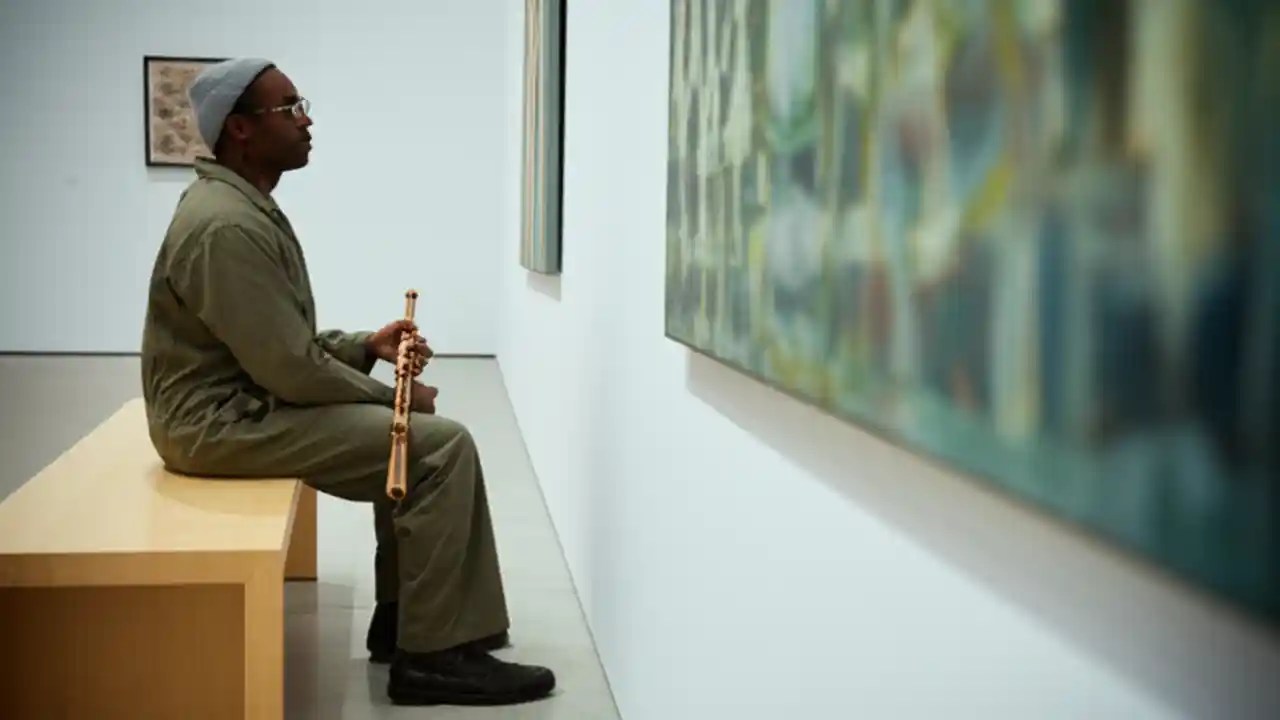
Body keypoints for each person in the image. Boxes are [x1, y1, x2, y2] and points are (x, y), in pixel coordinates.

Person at [139, 57, 555, 707]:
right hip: (216, 423)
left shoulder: (239, 207)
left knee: (415, 448)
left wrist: (362, 345)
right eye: (290, 108)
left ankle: (406, 624)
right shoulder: (226, 223)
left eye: (301, 105)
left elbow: (271, 343)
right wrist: (394, 396)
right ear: (241, 129)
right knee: (437, 446)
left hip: (235, 403)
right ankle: (431, 658)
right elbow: (289, 369)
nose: (307, 122)